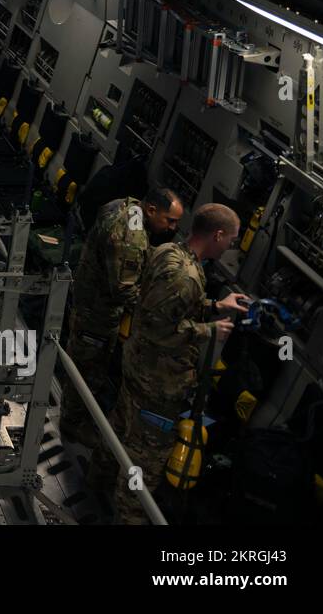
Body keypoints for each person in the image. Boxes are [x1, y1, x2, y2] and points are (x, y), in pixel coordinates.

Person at [107, 203, 251, 524]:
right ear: (216, 235)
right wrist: (210, 329)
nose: (232, 244)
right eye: (232, 238)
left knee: (118, 432)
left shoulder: (171, 252)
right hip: (157, 383)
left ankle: (97, 483)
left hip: (137, 366)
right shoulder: (186, 276)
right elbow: (163, 329)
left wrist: (214, 304)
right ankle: (127, 517)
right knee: (144, 466)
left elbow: (167, 302)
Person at [59, 187, 184, 448]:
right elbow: (125, 289)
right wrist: (158, 312)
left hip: (87, 296)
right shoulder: (132, 236)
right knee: (87, 370)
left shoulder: (122, 205)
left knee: (85, 361)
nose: (172, 227)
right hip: (99, 313)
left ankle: (77, 415)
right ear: (151, 210)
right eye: (169, 220)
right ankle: (72, 425)